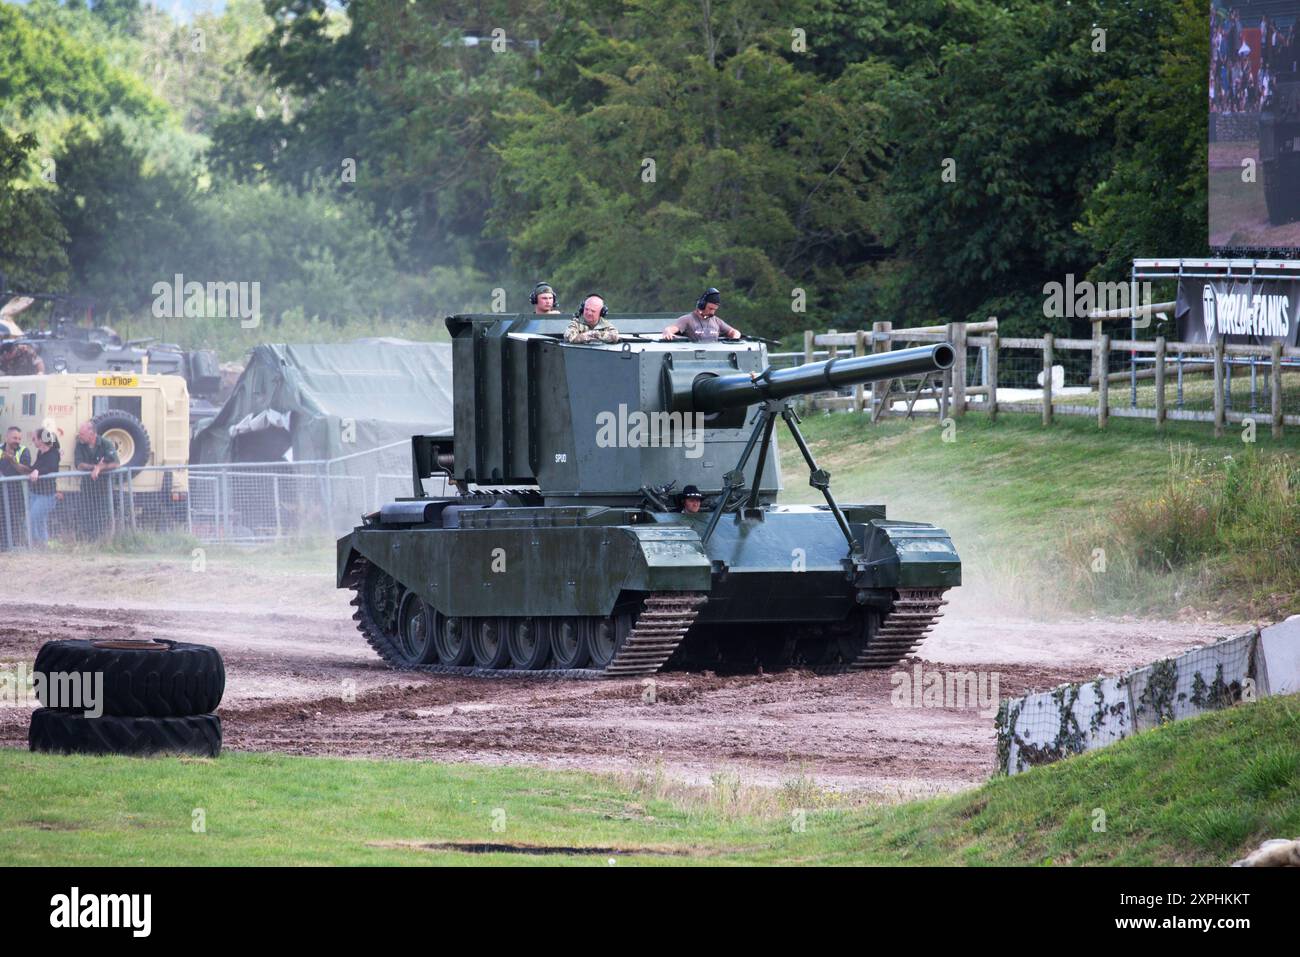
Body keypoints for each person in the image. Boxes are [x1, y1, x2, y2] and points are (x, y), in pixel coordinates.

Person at [74, 421, 119, 540]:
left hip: (103, 488)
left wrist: (100, 467)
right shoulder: (80, 444)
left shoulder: (106, 443)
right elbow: (79, 465)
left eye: (82, 434)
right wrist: (94, 467)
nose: (80, 436)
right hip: (87, 488)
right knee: (86, 516)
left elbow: (115, 463)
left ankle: (104, 542)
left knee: (103, 516)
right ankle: (88, 542)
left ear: (92, 434)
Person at [662, 288, 741, 342]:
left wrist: (735, 337)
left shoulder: (717, 321)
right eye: (710, 309)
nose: (712, 312)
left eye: (714, 310)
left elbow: (734, 331)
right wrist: (667, 331)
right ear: (702, 305)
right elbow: (672, 328)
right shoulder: (687, 320)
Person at [26, 428, 60, 548]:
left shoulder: (54, 453)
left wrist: (37, 471)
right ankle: (43, 547)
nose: (33, 440)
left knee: (32, 520)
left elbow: (52, 468)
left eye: (34, 438)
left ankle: (36, 545)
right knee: (40, 522)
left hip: (46, 495)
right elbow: (34, 467)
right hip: (35, 492)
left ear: (41, 440)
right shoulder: (40, 453)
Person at [0, 426, 32, 547]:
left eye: (19, 438)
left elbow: (27, 470)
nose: (17, 441)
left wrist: (12, 461)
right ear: (6, 437)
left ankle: (14, 546)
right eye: (14, 438)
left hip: (16, 493)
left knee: (15, 520)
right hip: (1, 492)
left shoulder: (24, 450)